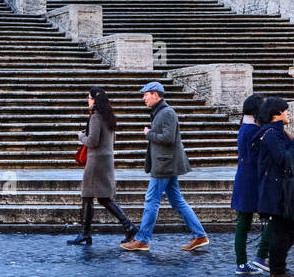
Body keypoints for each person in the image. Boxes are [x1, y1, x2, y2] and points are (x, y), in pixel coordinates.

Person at [120, 81, 209, 252]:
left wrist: (148, 133)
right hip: (166, 163)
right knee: (177, 201)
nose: (143, 97)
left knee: (151, 201)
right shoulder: (160, 112)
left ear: (155, 94)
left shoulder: (166, 112)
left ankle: (142, 239)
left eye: (145, 94)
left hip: (164, 164)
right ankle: (200, 235)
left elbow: (168, 138)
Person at [67, 87, 137, 245]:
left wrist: (81, 136)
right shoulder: (108, 116)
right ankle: (128, 227)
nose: (87, 100)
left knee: (88, 195)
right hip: (105, 160)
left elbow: (92, 142)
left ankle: (86, 233)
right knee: (103, 197)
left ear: (94, 100)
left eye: (89, 97)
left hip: (96, 161)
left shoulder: (96, 117)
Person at [253, 95, 294, 277]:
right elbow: (282, 158)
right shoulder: (271, 133)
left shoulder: (275, 132)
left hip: (280, 189)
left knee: (285, 228)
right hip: (276, 190)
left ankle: (276, 263)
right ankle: (277, 269)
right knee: (281, 228)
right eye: (285, 110)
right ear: (276, 114)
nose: (288, 113)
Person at [231, 93, 271, 274]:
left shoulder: (245, 128)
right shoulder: (253, 131)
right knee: (273, 218)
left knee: (244, 222)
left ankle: (243, 262)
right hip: (253, 181)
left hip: (244, 180)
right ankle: (260, 256)